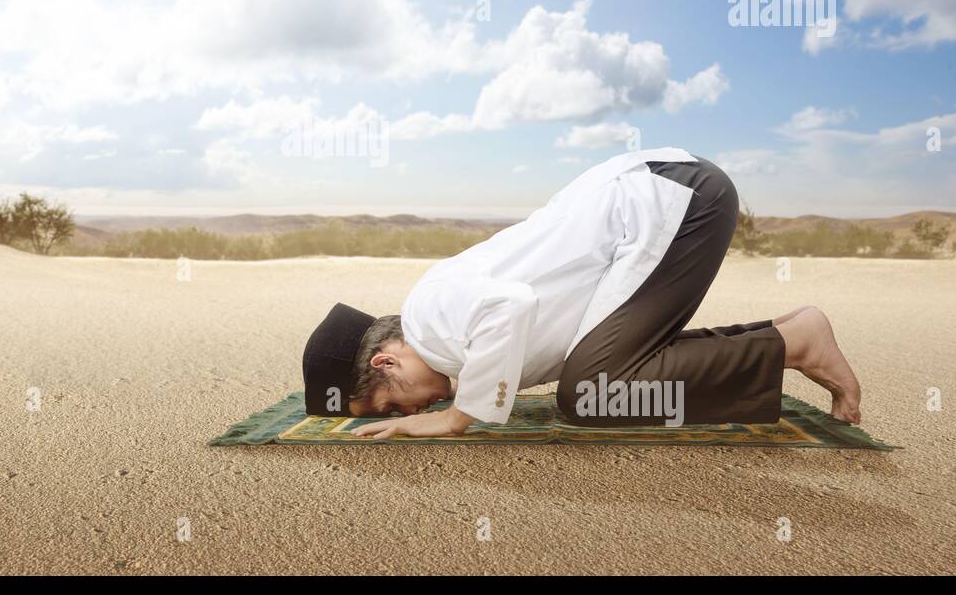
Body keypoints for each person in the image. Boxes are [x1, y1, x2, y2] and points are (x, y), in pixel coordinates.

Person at [299, 148, 862, 439]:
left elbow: (509, 306)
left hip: (671, 201)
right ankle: (783, 340)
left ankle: (796, 344)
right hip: (669, 199)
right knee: (598, 379)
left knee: (590, 392)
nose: (415, 411)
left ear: (386, 359)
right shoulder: (449, 338)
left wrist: (458, 419)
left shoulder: (429, 317)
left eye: (393, 405)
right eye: (404, 415)